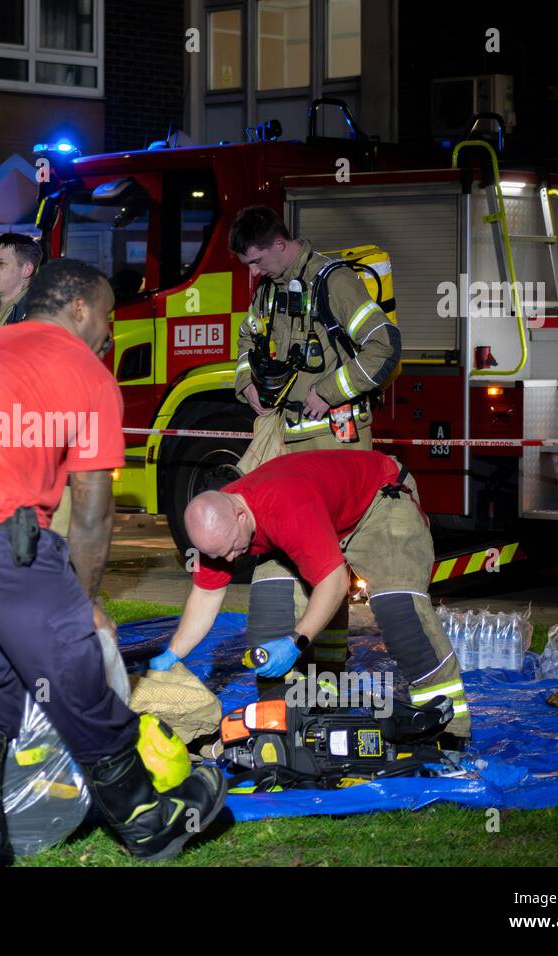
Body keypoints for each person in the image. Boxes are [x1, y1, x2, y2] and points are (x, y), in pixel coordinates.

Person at [0, 258, 227, 866]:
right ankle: (147, 818)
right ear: (78, 308)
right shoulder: (86, 371)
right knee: (74, 672)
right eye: (107, 315)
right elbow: (93, 511)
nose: (111, 332)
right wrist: (86, 603)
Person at [151, 450, 471, 745]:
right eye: (223, 555)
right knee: (269, 612)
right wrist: (172, 655)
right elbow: (206, 595)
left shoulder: (285, 505)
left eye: (234, 548)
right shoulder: (223, 532)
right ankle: (286, 723)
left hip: (378, 502)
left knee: (398, 610)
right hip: (314, 519)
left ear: (239, 514)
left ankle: (449, 728)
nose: (233, 559)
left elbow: (332, 583)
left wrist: (296, 641)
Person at [229, 206, 403, 673]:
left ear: (280, 245)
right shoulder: (268, 288)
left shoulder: (334, 281)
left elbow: (384, 345)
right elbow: (246, 342)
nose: (252, 271)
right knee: (296, 555)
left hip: (336, 445)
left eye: (256, 260)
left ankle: (328, 665)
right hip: (287, 444)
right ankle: (310, 658)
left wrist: (329, 391)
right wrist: (247, 383)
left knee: (329, 559)